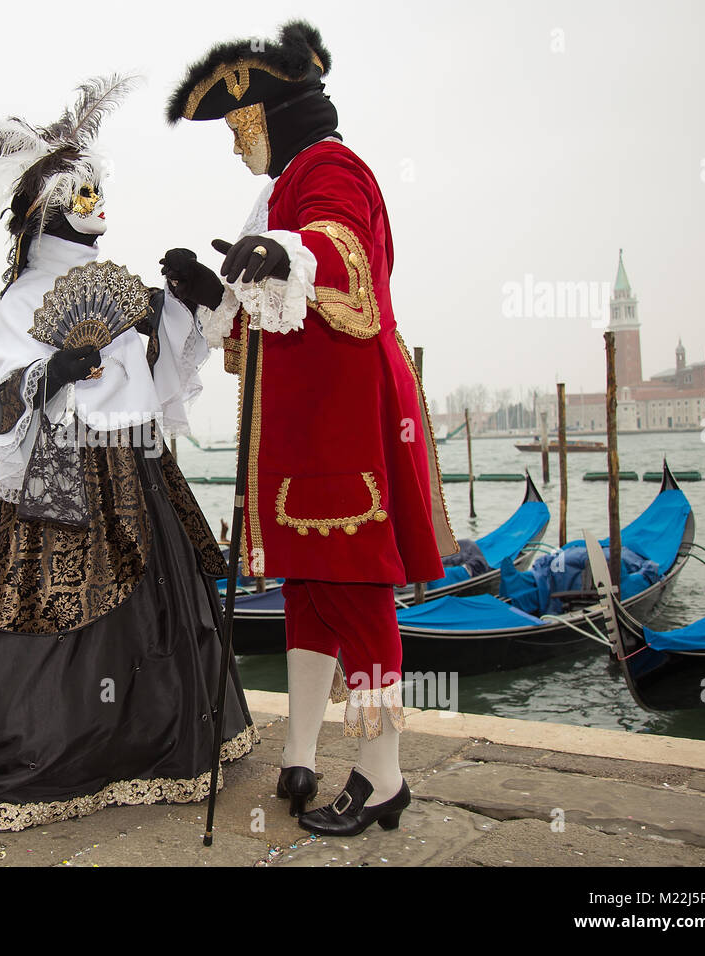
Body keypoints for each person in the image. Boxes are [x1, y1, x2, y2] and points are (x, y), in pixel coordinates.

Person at [0, 74, 259, 832]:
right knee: (56, 612)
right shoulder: (22, 301)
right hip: (65, 478)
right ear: (50, 208)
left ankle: (156, 746)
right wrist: (46, 373)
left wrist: (190, 304)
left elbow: (153, 384)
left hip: (139, 464)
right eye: (81, 197)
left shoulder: (116, 290)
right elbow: (7, 395)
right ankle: (62, 755)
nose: (96, 208)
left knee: (159, 607)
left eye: (97, 193)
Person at [165, 21, 458, 836]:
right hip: (302, 433)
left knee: (356, 590)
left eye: (235, 127)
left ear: (268, 113)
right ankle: (301, 750)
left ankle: (383, 776)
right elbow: (270, 319)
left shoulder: (330, 170)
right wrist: (209, 293)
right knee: (308, 587)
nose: (233, 145)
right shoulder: (283, 185)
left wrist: (283, 254)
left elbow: (337, 249)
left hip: (342, 429)